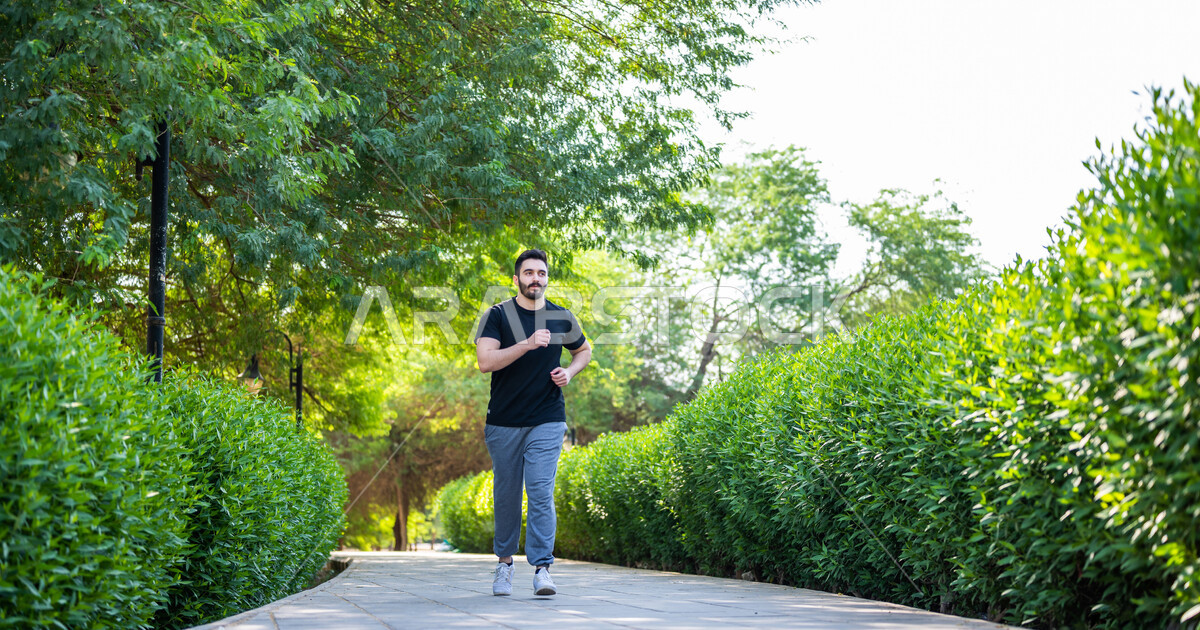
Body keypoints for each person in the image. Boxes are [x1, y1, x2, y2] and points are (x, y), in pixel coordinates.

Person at [475, 249, 592, 597]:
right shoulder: (497, 315)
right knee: (507, 495)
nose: (535, 279)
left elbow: (584, 350)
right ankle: (505, 565)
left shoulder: (560, 316)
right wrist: (526, 344)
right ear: (516, 279)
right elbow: (485, 361)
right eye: (528, 273)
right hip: (504, 421)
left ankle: (542, 568)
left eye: (541, 273)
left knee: (540, 491)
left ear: (546, 279)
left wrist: (569, 372)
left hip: (547, 417)